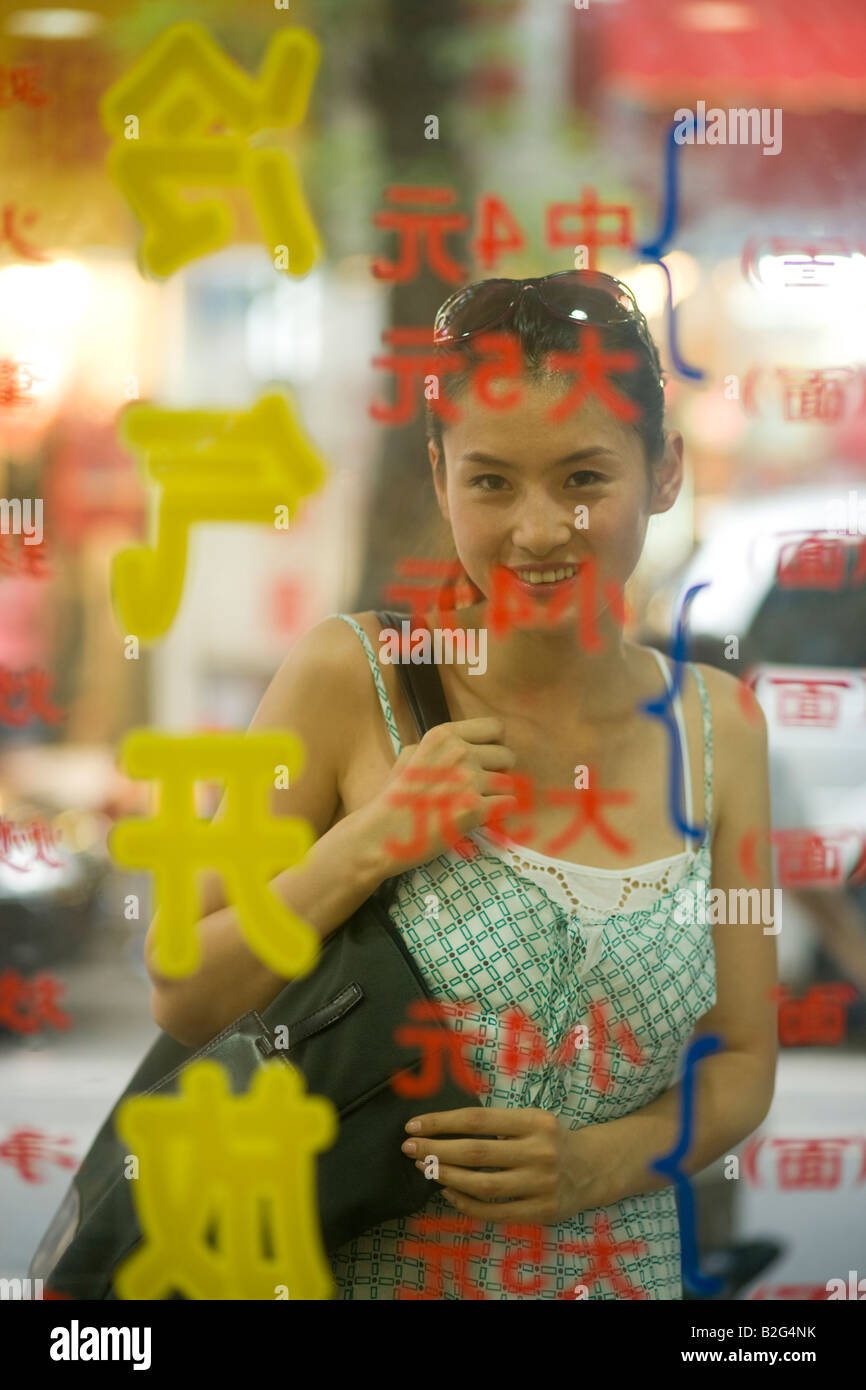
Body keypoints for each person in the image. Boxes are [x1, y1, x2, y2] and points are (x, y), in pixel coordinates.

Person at [144, 270, 778, 1300]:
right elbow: (184, 989)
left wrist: (594, 1166)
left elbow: (743, 1059)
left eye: (581, 479)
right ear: (439, 475)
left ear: (661, 471)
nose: (536, 530)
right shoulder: (349, 680)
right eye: (490, 482)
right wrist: (370, 841)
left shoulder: (721, 729)